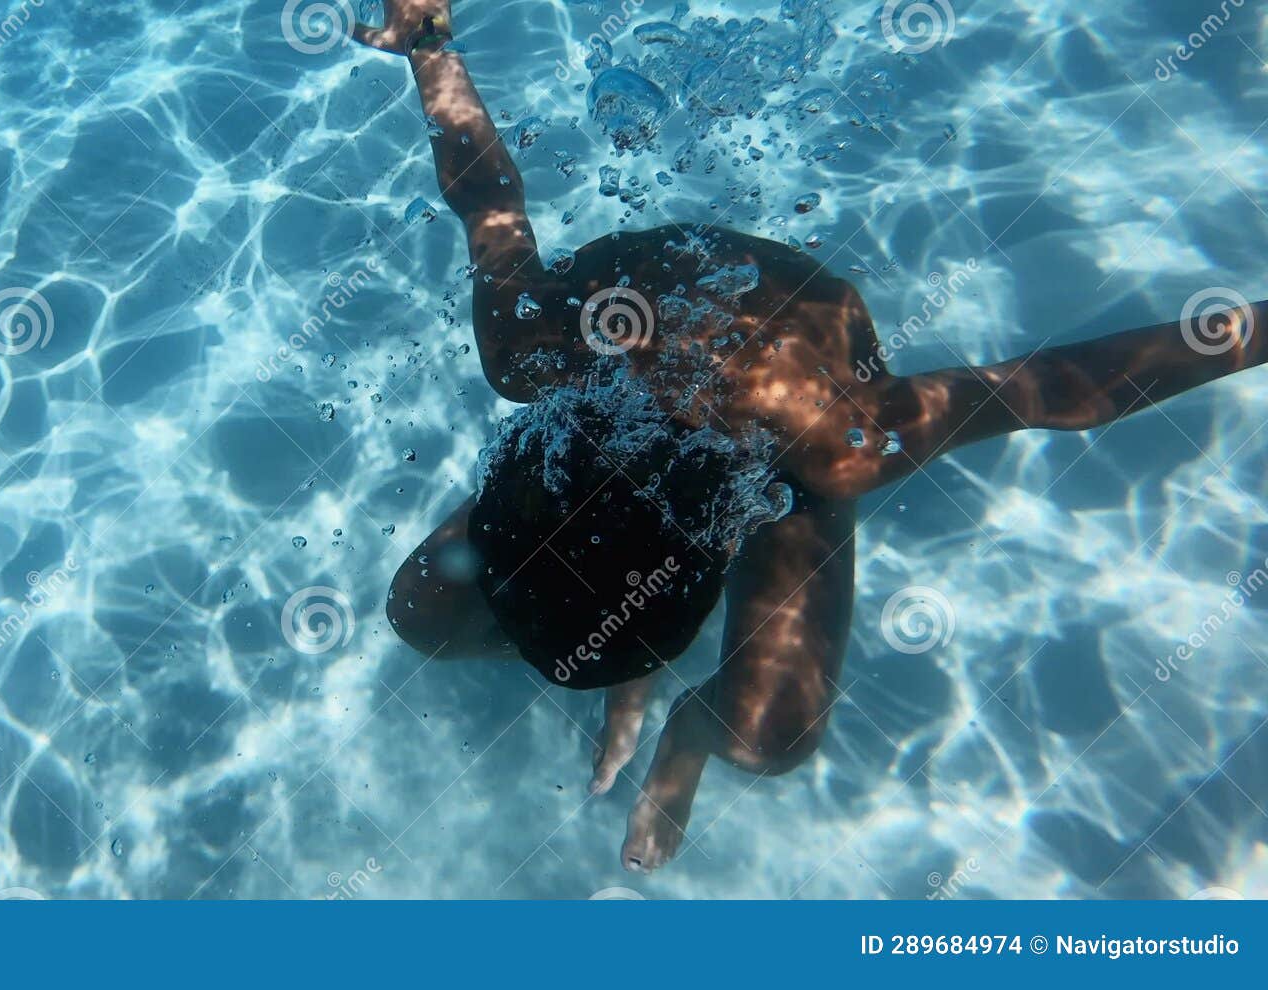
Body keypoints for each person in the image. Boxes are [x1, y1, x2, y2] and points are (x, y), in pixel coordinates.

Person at [353, 0, 1266, 873]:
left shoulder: (836, 439)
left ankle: (683, 723)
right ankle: (617, 629)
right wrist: (429, 39)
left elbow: (1063, 390)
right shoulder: (533, 347)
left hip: (790, 381)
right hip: (659, 380)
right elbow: (485, 193)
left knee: (771, 737)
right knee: (419, 607)